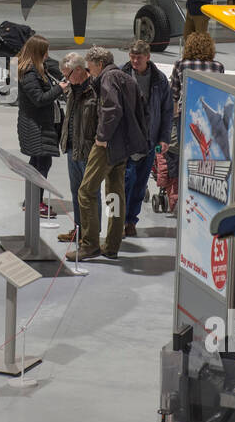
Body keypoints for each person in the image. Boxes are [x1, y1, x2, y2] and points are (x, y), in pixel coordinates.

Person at [72, 47, 148, 260]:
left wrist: (102, 137)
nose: (89, 72)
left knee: (86, 191)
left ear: (99, 64)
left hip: (108, 145)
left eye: (90, 67)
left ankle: (89, 244)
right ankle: (112, 244)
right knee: (115, 194)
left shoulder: (108, 77)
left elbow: (112, 108)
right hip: (123, 146)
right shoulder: (126, 78)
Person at [120, 39, 173, 237]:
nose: (135, 61)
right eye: (132, 57)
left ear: (148, 57)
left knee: (140, 184)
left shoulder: (160, 80)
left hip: (149, 141)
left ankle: (131, 221)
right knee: (124, 181)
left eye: (139, 58)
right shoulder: (121, 74)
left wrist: (164, 138)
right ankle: (118, 221)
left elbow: (167, 110)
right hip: (125, 142)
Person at [15, 35, 65, 218]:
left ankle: (32, 201)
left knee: (37, 164)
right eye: (45, 51)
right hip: (36, 127)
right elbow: (39, 99)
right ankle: (35, 204)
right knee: (41, 165)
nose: (47, 55)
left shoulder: (36, 69)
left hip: (39, 126)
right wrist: (60, 88)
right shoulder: (29, 73)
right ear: (38, 52)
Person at [168, 32, 225, 183]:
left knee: (186, 151)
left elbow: (173, 94)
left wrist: (173, 120)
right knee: (207, 153)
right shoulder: (218, 67)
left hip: (187, 116)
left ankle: (185, 183)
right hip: (211, 119)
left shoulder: (181, 65)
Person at [58, 51, 99, 244]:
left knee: (90, 194)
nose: (66, 79)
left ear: (80, 70)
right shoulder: (72, 88)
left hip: (89, 149)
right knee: (76, 191)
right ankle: (79, 230)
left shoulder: (95, 88)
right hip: (71, 148)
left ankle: (92, 235)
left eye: (68, 75)